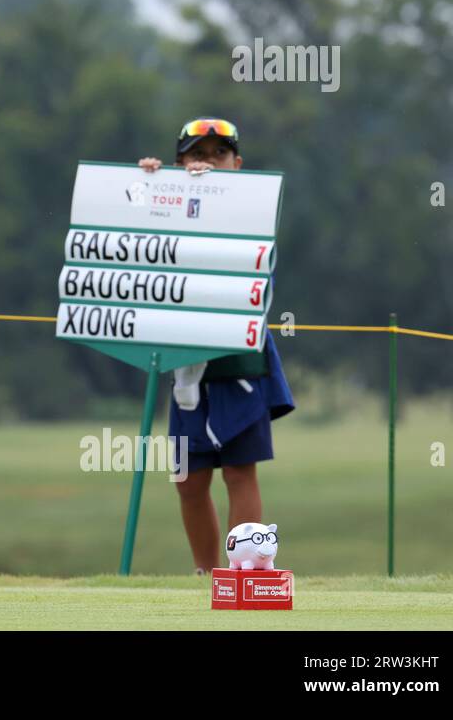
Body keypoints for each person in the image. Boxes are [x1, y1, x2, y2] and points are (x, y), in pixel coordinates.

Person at [138, 117, 296, 573]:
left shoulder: (252, 205)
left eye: (218, 154)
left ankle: (243, 572)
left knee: (239, 469)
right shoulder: (163, 195)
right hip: (186, 360)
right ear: (180, 163)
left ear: (237, 164)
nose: (207, 162)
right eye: (197, 154)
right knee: (188, 480)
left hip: (237, 358)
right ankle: (206, 576)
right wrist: (147, 184)